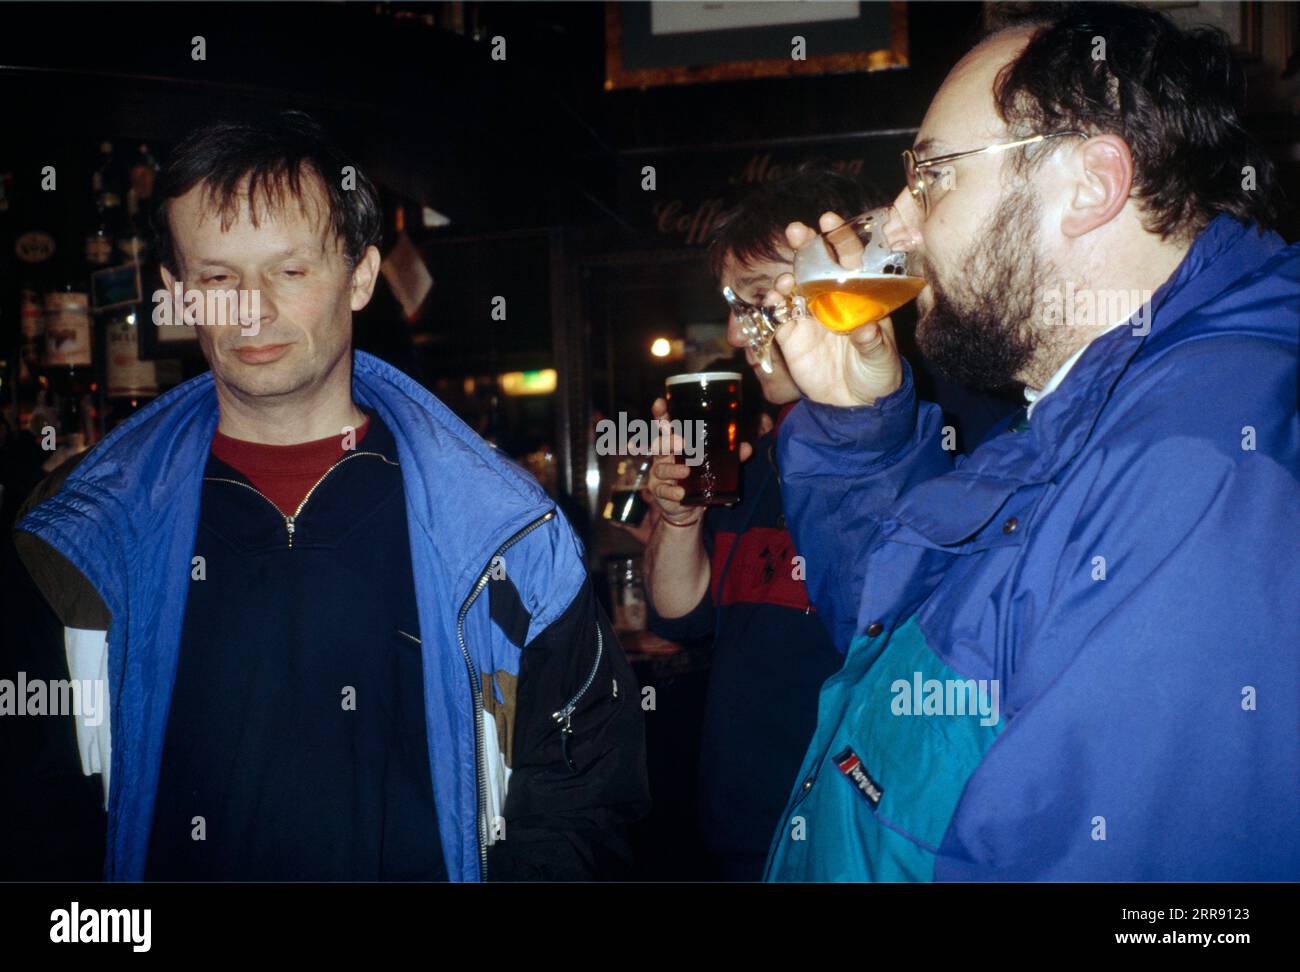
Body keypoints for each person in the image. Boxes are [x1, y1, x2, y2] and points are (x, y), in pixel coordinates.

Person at [11, 111, 648, 881]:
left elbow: (578, 797)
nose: (252, 310)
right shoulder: (76, 536)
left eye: (290, 270)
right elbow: (33, 817)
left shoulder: (505, 532)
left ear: (361, 276)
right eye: (217, 278)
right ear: (177, 296)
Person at [762, 3, 1299, 880]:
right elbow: (909, 645)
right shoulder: (1084, 410)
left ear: (1092, 183)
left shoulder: (1203, 478)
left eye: (931, 175)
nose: (896, 223)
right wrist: (860, 427)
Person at [640, 167, 866, 880]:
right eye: (734, 307)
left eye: (760, 301)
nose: (739, 333)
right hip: (739, 830)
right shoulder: (754, 461)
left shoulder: (916, 449)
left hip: (853, 835)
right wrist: (677, 518)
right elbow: (680, 617)